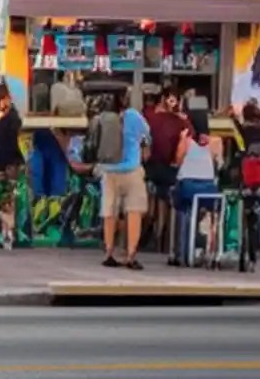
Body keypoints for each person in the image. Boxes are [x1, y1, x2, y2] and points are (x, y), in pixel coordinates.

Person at [76, 89, 149, 270]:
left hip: (108, 172)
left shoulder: (100, 118)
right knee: (134, 212)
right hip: (132, 170)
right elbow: (147, 136)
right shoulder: (133, 116)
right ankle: (131, 255)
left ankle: (109, 253)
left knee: (110, 212)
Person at [172, 111, 222, 264]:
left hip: (187, 187)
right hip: (208, 189)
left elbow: (178, 160)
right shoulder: (216, 142)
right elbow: (219, 164)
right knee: (211, 213)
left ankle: (180, 251)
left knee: (182, 209)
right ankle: (210, 251)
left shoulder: (186, 141)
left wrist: (181, 139)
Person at [145, 87, 188, 251]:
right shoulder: (178, 120)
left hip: (154, 167)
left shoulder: (150, 116)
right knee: (165, 197)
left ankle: (156, 234)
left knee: (159, 197)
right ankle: (162, 236)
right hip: (166, 168)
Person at [0, 84, 24, 251]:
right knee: (5, 200)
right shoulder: (9, 118)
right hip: (6, 163)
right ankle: (6, 233)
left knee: (6, 200)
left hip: (5, 163)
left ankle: (7, 234)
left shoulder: (9, 119)